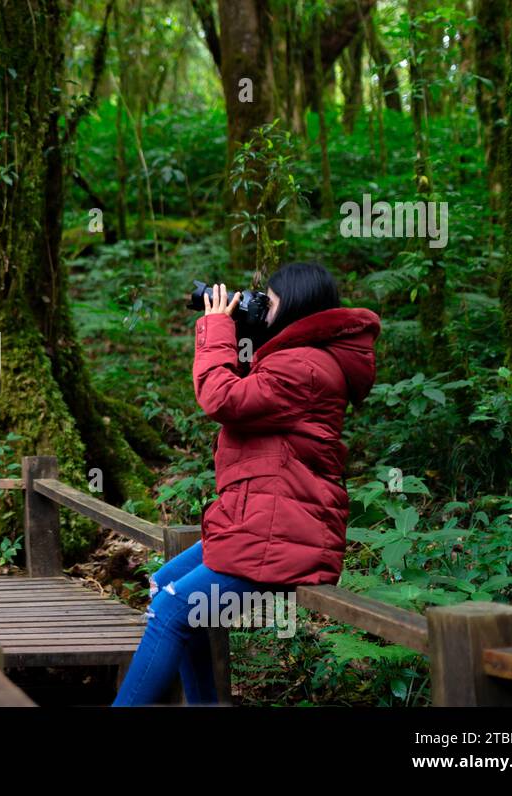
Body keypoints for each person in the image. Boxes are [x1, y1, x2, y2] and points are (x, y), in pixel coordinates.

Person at [112, 261, 381, 706]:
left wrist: (216, 328)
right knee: (165, 587)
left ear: (294, 306)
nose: (263, 309)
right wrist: (242, 329)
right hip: (265, 520)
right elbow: (250, 387)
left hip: (283, 532)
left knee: (172, 609)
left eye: (269, 303)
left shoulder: (307, 367)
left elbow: (223, 398)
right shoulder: (298, 358)